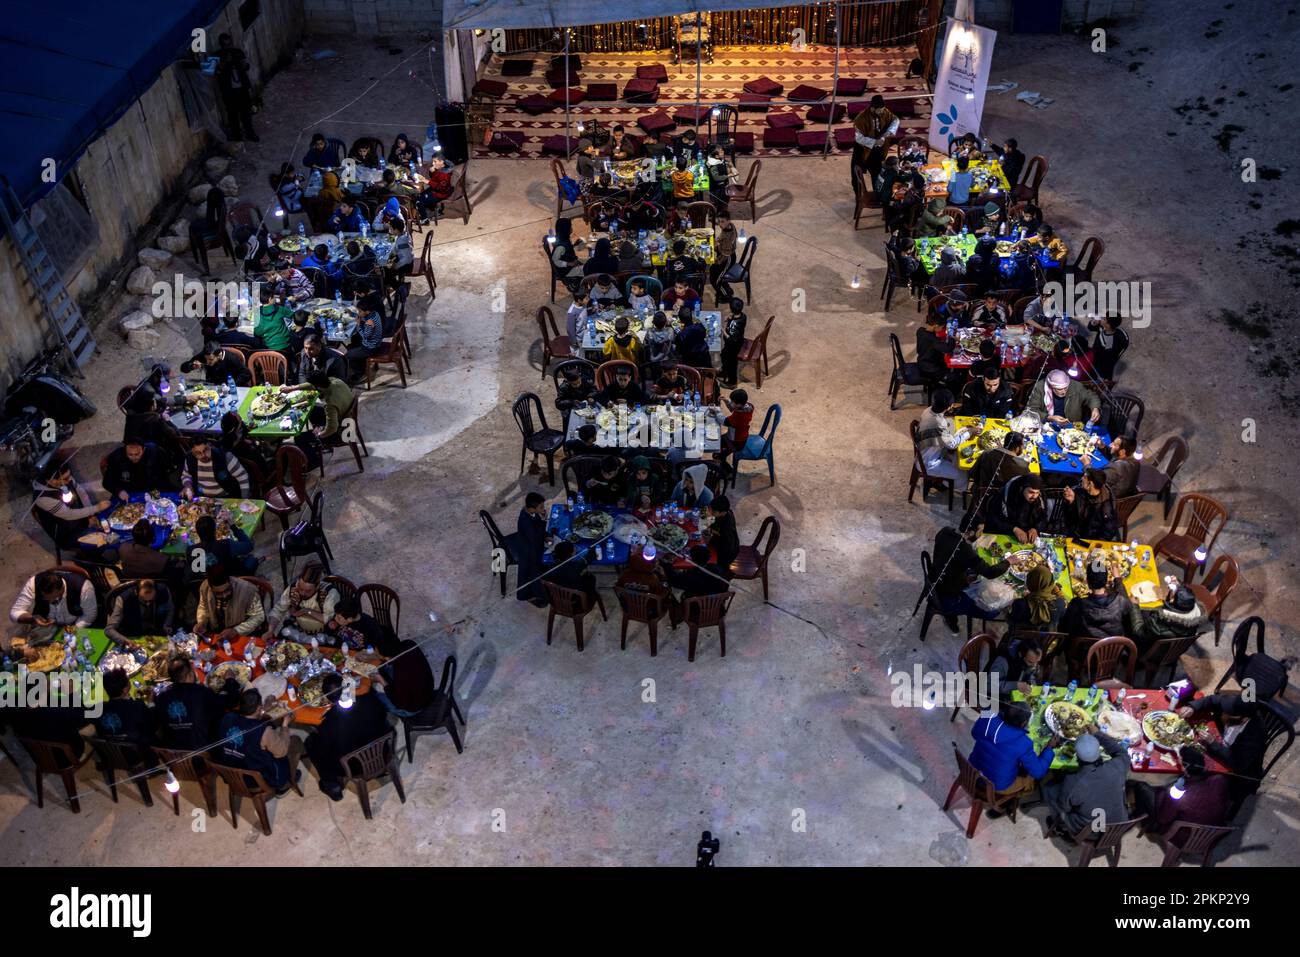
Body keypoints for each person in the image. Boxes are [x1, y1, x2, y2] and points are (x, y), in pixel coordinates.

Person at [304, 672, 391, 800]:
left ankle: (333, 787)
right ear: (347, 687)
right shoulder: (370, 699)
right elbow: (382, 715)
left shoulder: (329, 723)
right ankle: (380, 770)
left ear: (327, 699)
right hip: (383, 751)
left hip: (355, 767)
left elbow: (322, 751)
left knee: (312, 746)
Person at [1043, 729, 1130, 838]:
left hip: (1090, 832)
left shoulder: (1074, 782)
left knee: (1049, 789)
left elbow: (1064, 807)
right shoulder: (1117, 766)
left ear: (1078, 757)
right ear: (1099, 752)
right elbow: (1121, 752)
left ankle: (1060, 826)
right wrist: (1098, 734)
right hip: (1118, 827)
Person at [928, 512, 1009, 629]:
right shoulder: (964, 549)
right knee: (993, 612)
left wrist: (964, 577)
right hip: (947, 595)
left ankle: (951, 615)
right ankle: (950, 617)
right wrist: (1008, 561)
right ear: (971, 532)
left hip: (936, 580)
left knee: (974, 574)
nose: (981, 535)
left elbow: (949, 560)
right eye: (980, 531)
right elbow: (990, 573)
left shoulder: (945, 531)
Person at [1130, 748, 1229, 839]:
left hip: (1185, 837)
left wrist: (1164, 792)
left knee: (1142, 787)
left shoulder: (1178, 795)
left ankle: (1146, 823)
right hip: (1213, 833)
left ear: (1185, 768)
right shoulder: (1220, 780)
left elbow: (1163, 819)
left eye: (1180, 760)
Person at [969, 703, 1058, 798]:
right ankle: (1010, 801)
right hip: (997, 786)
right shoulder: (1023, 743)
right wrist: (1049, 748)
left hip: (972, 770)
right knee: (1031, 776)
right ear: (1024, 723)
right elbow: (1038, 772)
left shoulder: (987, 718)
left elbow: (974, 734)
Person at [218, 688, 295, 792]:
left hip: (232, 774)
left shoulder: (227, 717)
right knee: (293, 742)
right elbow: (281, 752)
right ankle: (282, 785)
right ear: (259, 708)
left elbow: (247, 720)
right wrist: (285, 725)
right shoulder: (264, 732)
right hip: (256, 779)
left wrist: (263, 711)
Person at [153, 656, 225, 748]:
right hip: (205, 749)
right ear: (190, 674)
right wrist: (230, 682)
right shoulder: (202, 693)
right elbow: (224, 705)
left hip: (175, 751)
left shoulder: (162, 698)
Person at [9, 569, 97, 641]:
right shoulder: (33, 584)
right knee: (23, 651)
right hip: (48, 628)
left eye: (55, 598)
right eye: (46, 598)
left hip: (76, 625)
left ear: (62, 588)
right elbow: (14, 613)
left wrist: (73, 629)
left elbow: (90, 614)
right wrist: (32, 619)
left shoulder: (83, 587)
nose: (51, 602)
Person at [1060, 559, 1134, 639]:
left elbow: (1064, 628)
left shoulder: (1078, 605)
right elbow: (1125, 600)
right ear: (1106, 581)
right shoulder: (1121, 602)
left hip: (1086, 649)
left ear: (1087, 582)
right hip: (1114, 648)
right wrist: (1117, 579)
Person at [1128, 582, 1208, 655]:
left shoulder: (1159, 621)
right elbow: (1186, 599)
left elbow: (1139, 631)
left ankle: (1134, 660)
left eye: (1173, 594)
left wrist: (1134, 606)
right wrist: (1179, 587)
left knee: (1126, 618)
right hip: (1176, 649)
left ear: (1172, 600)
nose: (1170, 593)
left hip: (1156, 652)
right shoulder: (1197, 615)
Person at [93, 668, 156, 755]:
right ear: (125, 689)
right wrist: (151, 703)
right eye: (128, 680)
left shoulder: (97, 708)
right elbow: (152, 724)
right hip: (139, 752)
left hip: (115, 752)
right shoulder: (137, 706)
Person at [266, 562, 337, 639]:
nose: (302, 593)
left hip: (323, 632)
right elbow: (278, 610)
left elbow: (328, 618)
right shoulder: (293, 588)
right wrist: (270, 630)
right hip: (297, 627)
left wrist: (307, 611)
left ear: (317, 587)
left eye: (308, 591)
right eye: (300, 588)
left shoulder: (329, 593)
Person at [195, 566, 266, 640]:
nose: (224, 596)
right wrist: (202, 622)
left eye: (227, 590)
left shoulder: (248, 590)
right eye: (218, 593)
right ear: (211, 588)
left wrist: (236, 630)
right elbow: (203, 607)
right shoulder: (205, 588)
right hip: (216, 633)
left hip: (241, 635)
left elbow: (258, 616)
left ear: (230, 582)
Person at [507, 492, 550, 605]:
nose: (543, 508)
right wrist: (544, 521)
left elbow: (537, 525)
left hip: (529, 541)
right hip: (528, 548)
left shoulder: (531, 513)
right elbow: (535, 537)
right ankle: (533, 595)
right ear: (532, 508)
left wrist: (542, 526)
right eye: (541, 507)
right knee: (531, 572)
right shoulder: (525, 520)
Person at [852, 95, 899, 195]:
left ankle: (878, 194)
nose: (882, 112)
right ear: (873, 108)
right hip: (863, 149)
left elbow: (895, 120)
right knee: (856, 173)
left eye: (883, 109)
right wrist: (874, 142)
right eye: (880, 110)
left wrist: (889, 132)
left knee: (876, 172)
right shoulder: (861, 119)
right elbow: (859, 138)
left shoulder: (884, 111)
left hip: (877, 150)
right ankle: (858, 195)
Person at [287, 370, 353, 441]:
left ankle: (317, 446)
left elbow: (333, 428)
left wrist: (319, 434)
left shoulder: (330, 404)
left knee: (299, 439)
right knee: (313, 409)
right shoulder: (336, 381)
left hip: (341, 431)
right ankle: (320, 426)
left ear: (318, 387)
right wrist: (293, 388)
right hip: (346, 417)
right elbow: (311, 385)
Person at [215, 34, 257, 141]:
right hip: (229, 91)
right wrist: (224, 61)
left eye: (229, 44)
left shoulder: (238, 52)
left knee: (246, 113)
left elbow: (247, 66)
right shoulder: (216, 55)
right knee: (232, 114)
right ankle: (237, 136)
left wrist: (241, 64)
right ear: (221, 45)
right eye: (225, 45)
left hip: (242, 88)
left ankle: (250, 133)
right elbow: (211, 71)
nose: (228, 47)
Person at [985, 473, 1047, 543]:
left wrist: (1036, 529)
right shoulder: (1005, 496)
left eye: (1037, 493)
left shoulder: (1040, 498)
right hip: (1006, 534)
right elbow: (993, 519)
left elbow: (1043, 517)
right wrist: (1014, 529)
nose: (1034, 496)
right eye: (1031, 492)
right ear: (1021, 488)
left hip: (1028, 537)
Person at [100, 441, 171, 501]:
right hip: (127, 494)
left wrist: (156, 491)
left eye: (137, 454)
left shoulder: (154, 455)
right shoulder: (117, 458)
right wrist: (119, 491)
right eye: (130, 455)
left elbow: (163, 476)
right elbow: (107, 482)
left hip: (151, 491)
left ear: (143, 450)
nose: (134, 458)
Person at [189, 513, 256, 576]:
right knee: (252, 559)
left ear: (197, 533)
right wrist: (233, 526)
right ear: (215, 531)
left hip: (206, 582)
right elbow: (249, 545)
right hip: (230, 579)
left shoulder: (189, 550)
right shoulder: (226, 544)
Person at [1028, 369, 1102, 425]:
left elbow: (1091, 397)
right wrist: (1050, 417)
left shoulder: (1076, 386)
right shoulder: (1040, 388)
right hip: (1047, 424)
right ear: (1051, 386)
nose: (1063, 391)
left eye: (1065, 388)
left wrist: (1095, 408)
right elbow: (1031, 410)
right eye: (1059, 389)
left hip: (1070, 425)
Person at [1063, 468, 1120, 540]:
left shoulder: (1107, 504)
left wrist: (1093, 546)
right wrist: (1071, 502)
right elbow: (1069, 519)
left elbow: (1109, 530)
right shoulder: (1078, 491)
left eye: (1084, 477)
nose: (1082, 478)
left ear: (1090, 484)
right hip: (1075, 536)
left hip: (1093, 541)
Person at [1007, 566, 1065, 636]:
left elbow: (1010, 621)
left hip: (1016, 636)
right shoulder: (1060, 603)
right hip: (1041, 641)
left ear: (1029, 582)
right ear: (1050, 583)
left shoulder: (1020, 604)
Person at [324, 596, 396, 652]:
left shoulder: (369, 627)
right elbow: (329, 633)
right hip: (341, 650)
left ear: (350, 619)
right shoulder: (341, 616)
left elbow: (373, 649)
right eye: (335, 615)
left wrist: (365, 653)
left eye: (339, 618)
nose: (335, 619)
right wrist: (330, 627)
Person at [182, 438, 247, 500]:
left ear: (210, 446)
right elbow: (186, 476)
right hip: (201, 497)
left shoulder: (226, 457)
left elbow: (243, 477)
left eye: (205, 450)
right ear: (192, 453)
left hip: (225, 497)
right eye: (198, 453)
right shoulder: (189, 458)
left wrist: (244, 499)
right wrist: (188, 486)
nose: (203, 455)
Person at [969, 430, 1029, 495]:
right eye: (1023, 445)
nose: (1023, 448)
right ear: (1017, 448)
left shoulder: (986, 454)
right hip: (1005, 500)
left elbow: (972, 474)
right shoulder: (1023, 465)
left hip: (981, 496)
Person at [915, 389, 961, 472]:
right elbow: (952, 444)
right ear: (949, 407)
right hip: (929, 463)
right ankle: (944, 483)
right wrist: (969, 432)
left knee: (950, 423)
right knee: (962, 475)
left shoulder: (927, 410)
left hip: (924, 451)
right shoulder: (939, 423)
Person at [345, 295, 384, 381]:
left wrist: (358, 325)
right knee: (354, 341)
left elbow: (365, 336)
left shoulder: (370, 323)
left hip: (370, 347)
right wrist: (352, 314)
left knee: (349, 355)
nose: (358, 313)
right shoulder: (374, 313)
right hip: (375, 342)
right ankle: (359, 363)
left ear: (367, 311)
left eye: (360, 311)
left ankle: (360, 374)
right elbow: (363, 317)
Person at [179, 341, 252, 387]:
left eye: (211, 359)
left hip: (229, 385)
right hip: (212, 385)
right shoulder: (204, 355)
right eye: (206, 359)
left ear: (219, 355)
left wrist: (232, 385)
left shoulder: (231, 358)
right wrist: (191, 366)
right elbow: (183, 368)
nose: (207, 362)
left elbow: (247, 374)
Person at [253, 288, 296, 362]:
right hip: (285, 345)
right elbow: (293, 315)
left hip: (270, 348)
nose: (275, 300)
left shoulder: (257, 313)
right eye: (274, 298)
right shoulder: (279, 309)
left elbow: (257, 332)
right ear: (270, 299)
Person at [1087, 315, 1129, 381]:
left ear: (1108, 325)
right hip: (1100, 356)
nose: (1101, 319)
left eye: (1104, 319)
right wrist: (1094, 322)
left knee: (1102, 375)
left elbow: (1107, 358)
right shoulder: (1104, 327)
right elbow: (1090, 328)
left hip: (1102, 361)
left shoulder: (1109, 343)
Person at [705, 495, 739, 571]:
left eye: (714, 511)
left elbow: (722, 536)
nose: (711, 512)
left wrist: (710, 530)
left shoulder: (727, 526)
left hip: (726, 554)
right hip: (722, 542)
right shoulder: (727, 513)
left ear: (723, 512)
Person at [718, 297, 747, 387]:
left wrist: (723, 331)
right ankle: (724, 371)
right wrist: (731, 317)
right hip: (731, 344)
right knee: (723, 355)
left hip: (733, 347)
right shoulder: (742, 316)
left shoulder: (735, 326)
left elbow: (732, 339)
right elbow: (734, 317)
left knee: (732, 364)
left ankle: (732, 382)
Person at [710, 210, 739, 299]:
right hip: (726, 253)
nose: (720, 224)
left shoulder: (727, 238)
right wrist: (718, 241)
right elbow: (721, 238)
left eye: (722, 221)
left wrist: (715, 261)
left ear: (728, 220)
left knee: (715, 280)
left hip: (727, 259)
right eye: (719, 221)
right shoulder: (730, 226)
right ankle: (725, 286)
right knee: (712, 270)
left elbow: (724, 256)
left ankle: (726, 295)